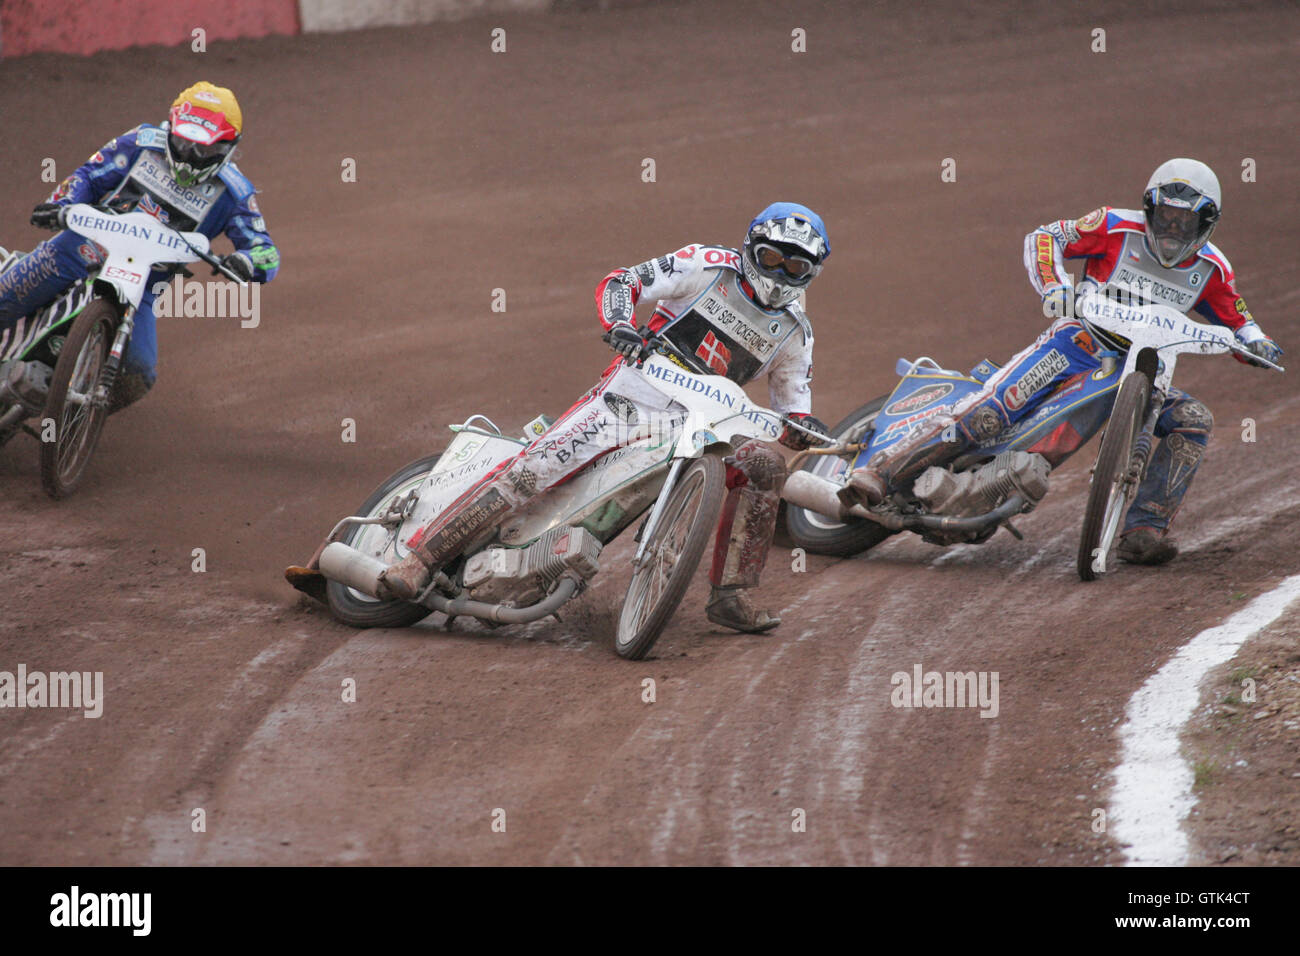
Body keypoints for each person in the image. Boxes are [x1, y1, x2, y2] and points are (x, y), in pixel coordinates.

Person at [378, 203, 832, 632]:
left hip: (707, 426)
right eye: (771, 257)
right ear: (751, 246)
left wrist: (802, 431)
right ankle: (422, 558)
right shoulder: (706, 264)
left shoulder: (795, 331)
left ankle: (730, 595)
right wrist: (621, 325)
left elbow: (792, 411)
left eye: (794, 267)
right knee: (537, 468)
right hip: (633, 396)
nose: (778, 274)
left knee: (766, 466)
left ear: (812, 273)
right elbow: (622, 283)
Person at [840, 159, 1282, 565]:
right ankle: (880, 471)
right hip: (1079, 344)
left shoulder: (1212, 268)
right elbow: (1047, 236)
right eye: (1166, 215)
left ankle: (1145, 529)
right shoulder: (1112, 226)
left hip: (1149, 371)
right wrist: (1054, 286)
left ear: (1207, 222)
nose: (1173, 227)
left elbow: (1238, 318)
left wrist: (1256, 342)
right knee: (994, 412)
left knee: (1192, 419)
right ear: (1149, 208)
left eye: (1186, 220)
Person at [0, 81, 279, 411]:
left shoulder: (235, 192)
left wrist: (247, 262)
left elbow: (265, 249)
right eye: (184, 143)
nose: (191, 157)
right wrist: (60, 202)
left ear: (229, 147)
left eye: (205, 151)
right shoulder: (139, 142)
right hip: (82, 247)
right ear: (171, 127)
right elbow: (89, 175)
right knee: (7, 296)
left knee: (139, 373)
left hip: (143, 286)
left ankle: (80, 420)